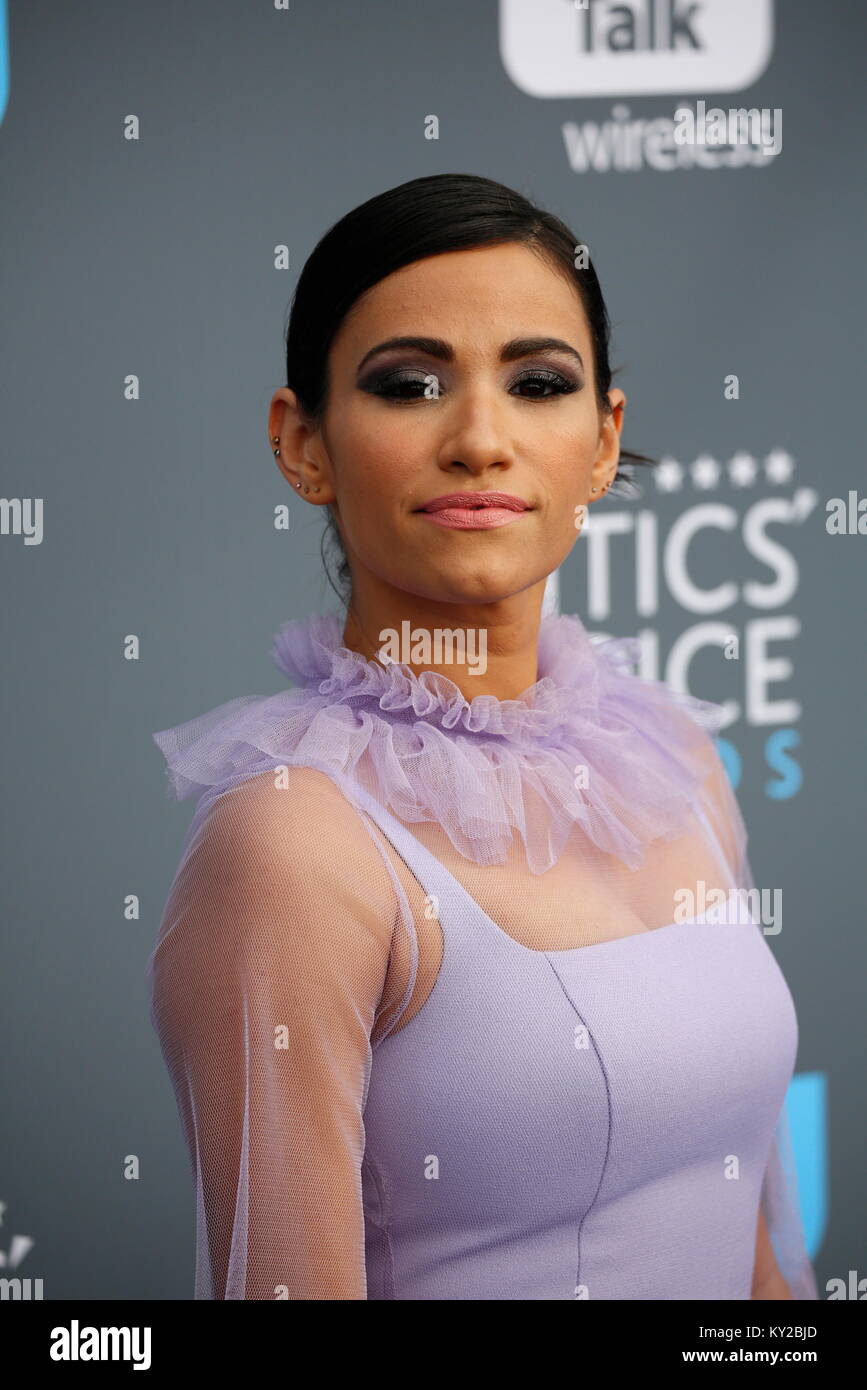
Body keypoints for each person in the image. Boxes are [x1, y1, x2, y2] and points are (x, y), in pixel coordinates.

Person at [148, 173, 817, 1301]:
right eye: (409, 384)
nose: (480, 439)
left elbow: (753, 1256)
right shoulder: (291, 849)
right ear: (302, 443)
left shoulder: (676, 762)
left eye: (539, 382)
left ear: (604, 442)